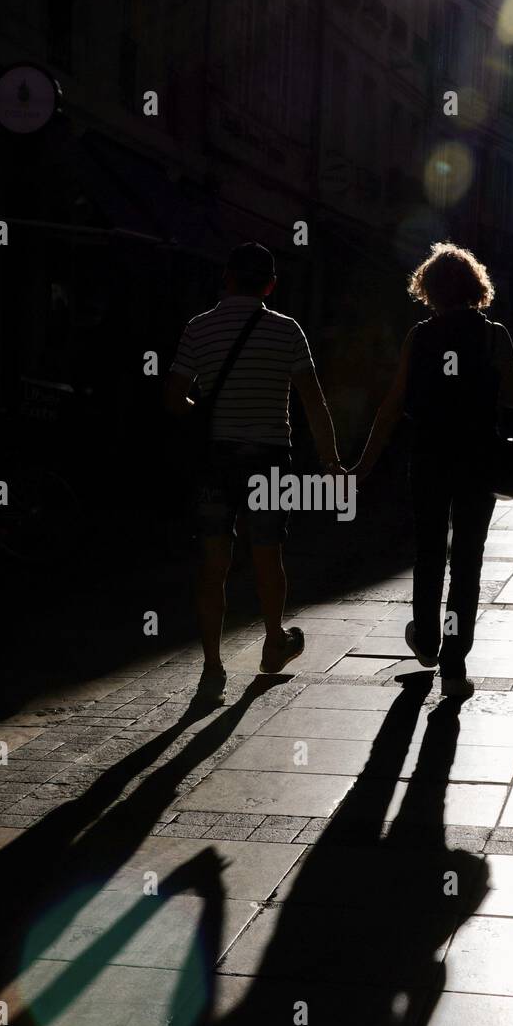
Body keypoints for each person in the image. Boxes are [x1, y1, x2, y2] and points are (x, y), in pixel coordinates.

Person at [164, 243, 341, 702]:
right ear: (271, 284)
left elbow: (172, 398)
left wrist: (203, 412)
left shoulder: (198, 328)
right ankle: (272, 644)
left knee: (213, 563)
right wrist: (330, 462)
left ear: (226, 277)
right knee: (267, 555)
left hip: (214, 459)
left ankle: (212, 668)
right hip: (268, 460)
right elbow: (313, 401)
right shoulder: (287, 331)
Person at [354, 241, 513, 699]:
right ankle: (453, 663)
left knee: (428, 553)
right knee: (466, 561)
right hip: (478, 460)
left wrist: (363, 465)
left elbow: (392, 406)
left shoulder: (420, 337)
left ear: (428, 289)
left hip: (428, 457)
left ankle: (426, 640)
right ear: (475, 286)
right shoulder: (494, 336)